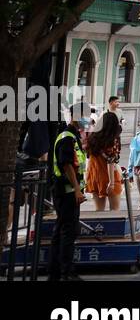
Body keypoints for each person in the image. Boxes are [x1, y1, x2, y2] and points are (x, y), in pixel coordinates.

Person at [48, 112, 87, 281]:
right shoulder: (66, 137)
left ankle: (56, 271)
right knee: (67, 232)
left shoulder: (73, 135)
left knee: (62, 229)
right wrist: (77, 189)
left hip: (68, 191)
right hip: (66, 192)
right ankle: (66, 272)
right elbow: (67, 165)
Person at [84, 110, 123, 211]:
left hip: (94, 176)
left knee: (99, 211)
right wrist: (112, 182)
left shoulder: (93, 138)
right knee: (114, 210)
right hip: (110, 177)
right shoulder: (113, 140)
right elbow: (110, 161)